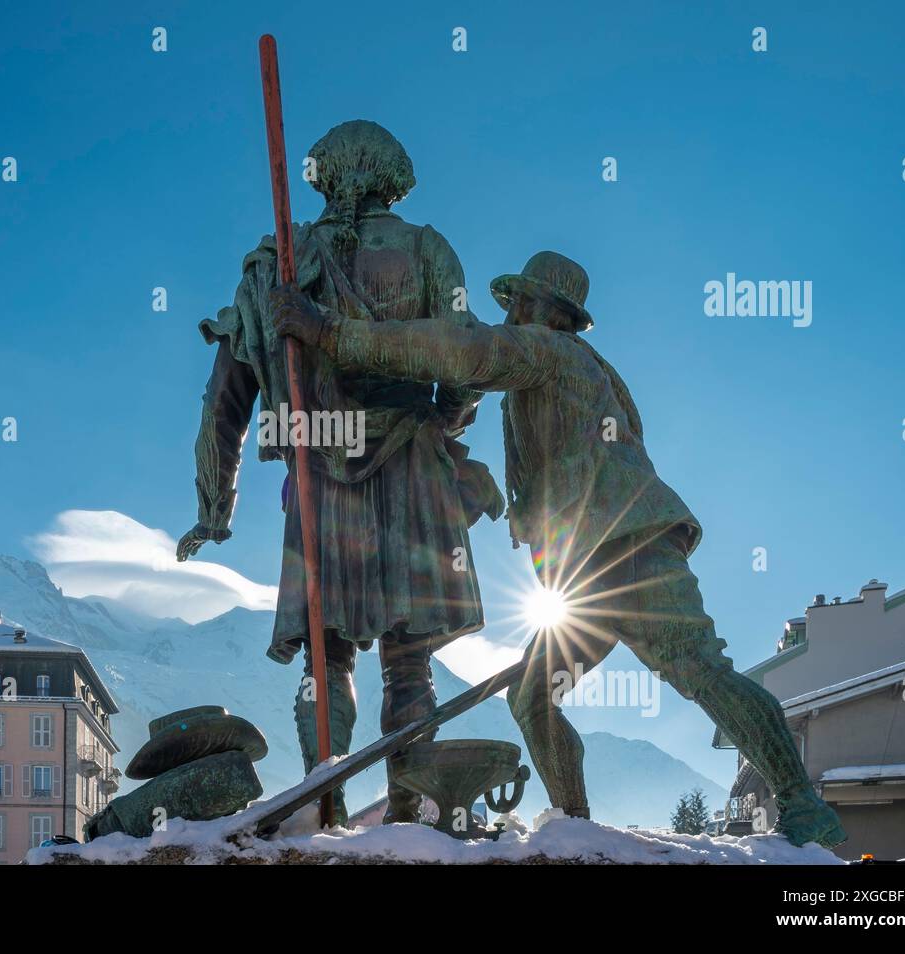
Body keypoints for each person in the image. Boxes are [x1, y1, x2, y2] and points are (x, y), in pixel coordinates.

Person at [270, 250, 846, 847]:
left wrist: (328, 332)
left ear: (544, 308)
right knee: (532, 695)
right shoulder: (576, 370)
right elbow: (485, 387)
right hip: (590, 567)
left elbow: (467, 352)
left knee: (700, 668)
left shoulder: (550, 352)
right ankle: (574, 826)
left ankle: (802, 802)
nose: (509, 313)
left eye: (516, 302)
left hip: (627, 550)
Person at [177, 121, 502, 824]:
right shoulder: (428, 250)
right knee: (408, 661)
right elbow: (468, 357)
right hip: (415, 464)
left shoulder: (275, 268)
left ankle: (323, 798)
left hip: (319, 468)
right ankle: (410, 808)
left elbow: (223, 401)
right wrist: (447, 418)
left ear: (323, 177)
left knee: (324, 664)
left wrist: (216, 506)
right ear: (392, 177)